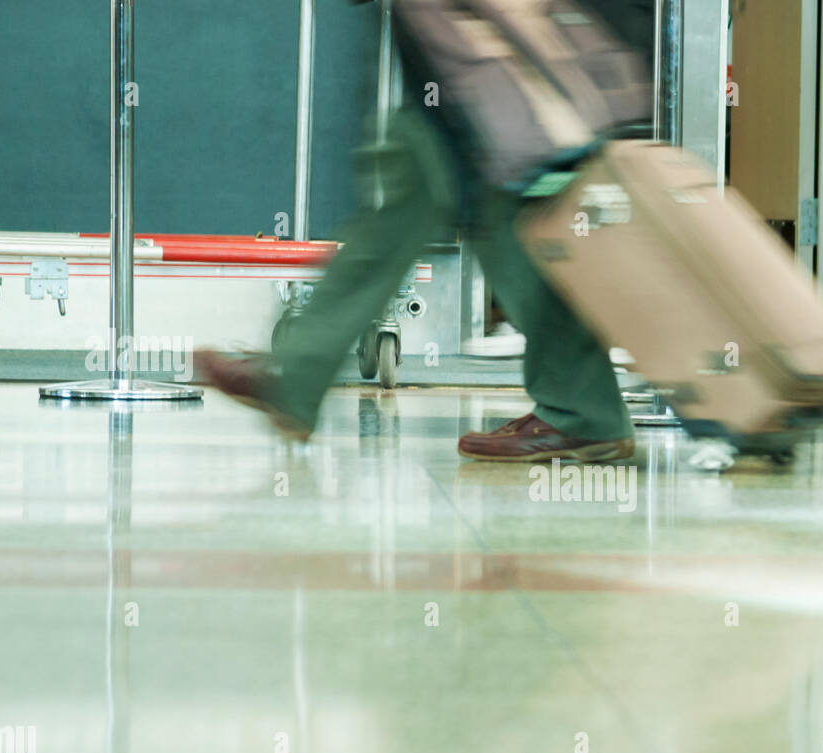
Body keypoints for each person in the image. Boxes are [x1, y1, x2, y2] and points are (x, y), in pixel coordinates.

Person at [200, 0, 655, 462]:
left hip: (480, 63)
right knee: (491, 219)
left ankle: (582, 414)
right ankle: (581, 413)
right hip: (473, 64)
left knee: (433, 207)